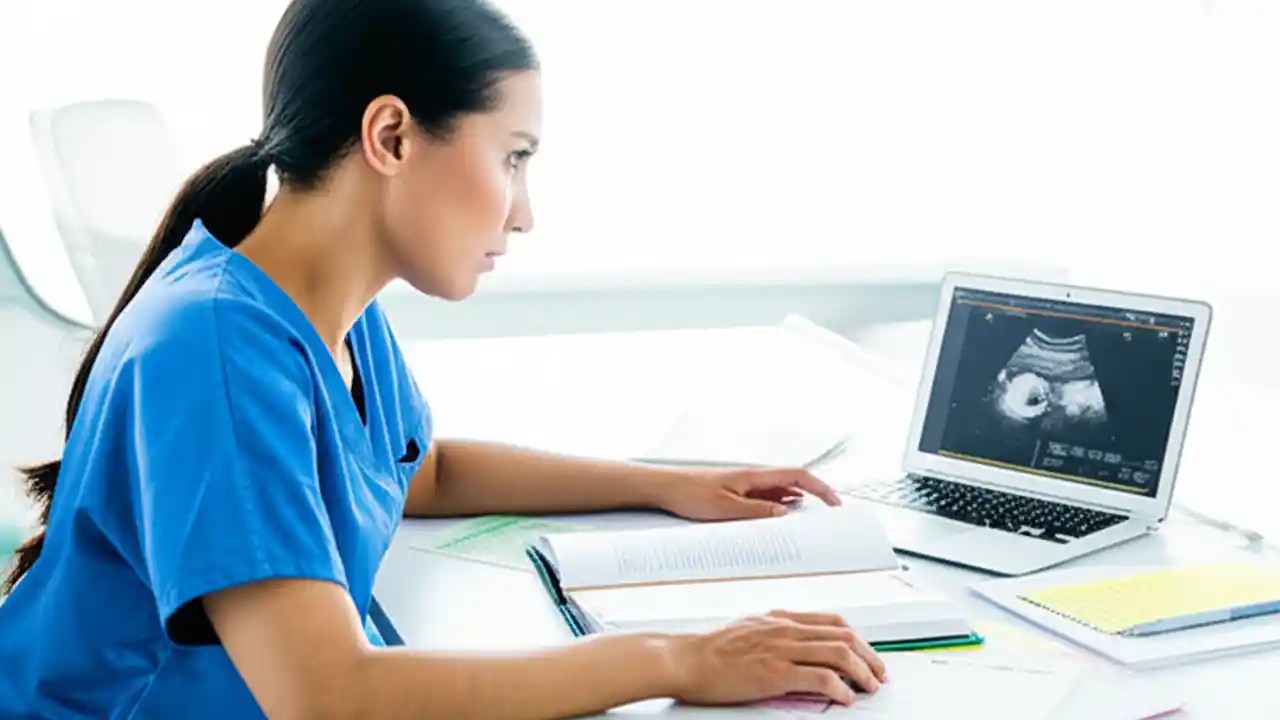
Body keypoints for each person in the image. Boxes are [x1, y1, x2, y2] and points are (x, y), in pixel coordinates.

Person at [0, 1, 886, 717]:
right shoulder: (216, 348)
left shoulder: (327, 310)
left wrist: (666, 485)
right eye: (514, 158)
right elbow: (328, 695)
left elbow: (421, 471)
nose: (523, 212)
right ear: (391, 135)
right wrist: (676, 660)